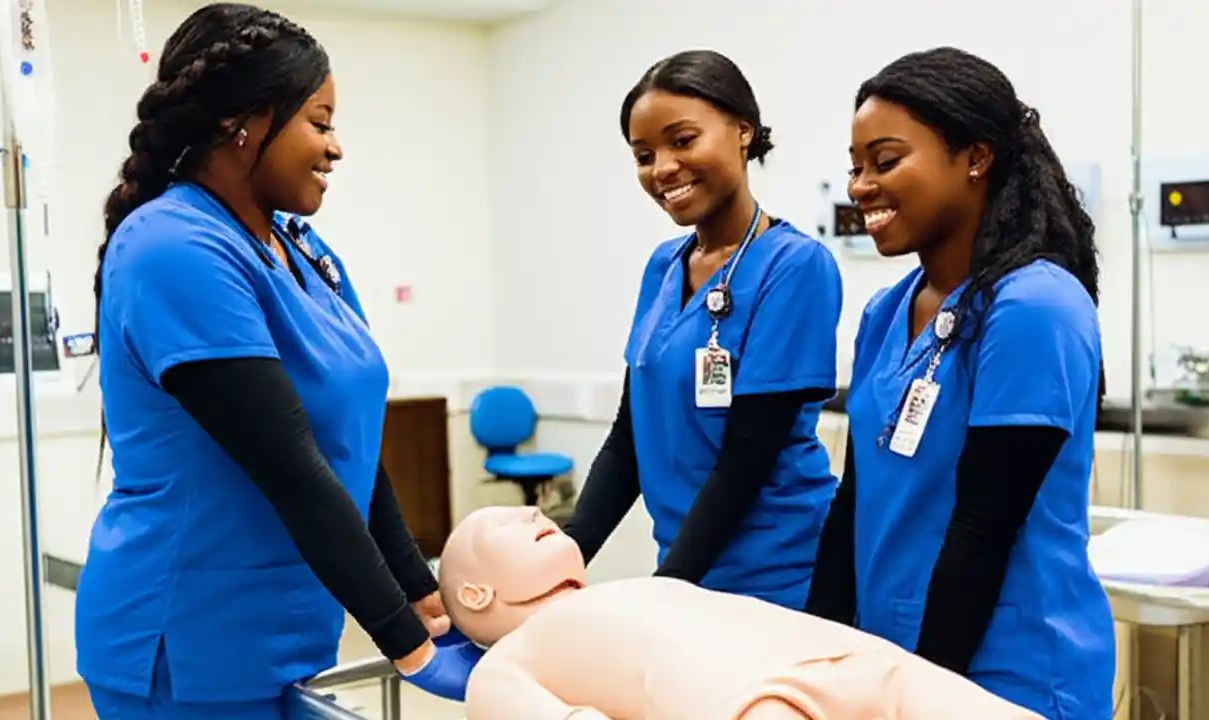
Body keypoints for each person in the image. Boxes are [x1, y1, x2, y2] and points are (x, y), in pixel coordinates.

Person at [74, 4, 479, 716]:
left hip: (285, 627)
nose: (336, 148)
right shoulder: (175, 247)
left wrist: (422, 594)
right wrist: (407, 646)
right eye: (319, 123)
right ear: (246, 123)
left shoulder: (302, 250)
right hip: (189, 639)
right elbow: (290, 466)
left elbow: (350, 448)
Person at [804, 46, 1115, 719]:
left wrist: (920, 691)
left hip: (1012, 673)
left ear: (975, 157)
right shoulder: (886, 313)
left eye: (885, 161)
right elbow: (853, 502)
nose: (860, 186)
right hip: (895, 658)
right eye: (854, 168)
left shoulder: (1035, 306)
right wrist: (819, 658)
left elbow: (985, 526)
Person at [562, 49, 843, 611]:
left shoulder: (795, 266)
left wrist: (669, 589)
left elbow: (748, 458)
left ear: (743, 131)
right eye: (644, 155)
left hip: (780, 579)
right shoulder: (664, 267)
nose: (662, 168)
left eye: (683, 140)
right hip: (690, 569)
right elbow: (628, 440)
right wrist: (562, 562)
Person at [435, 505, 1041, 720]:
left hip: (840, 654)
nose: (532, 515)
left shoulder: (624, 591)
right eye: (503, 525)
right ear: (475, 595)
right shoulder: (503, 665)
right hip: (736, 692)